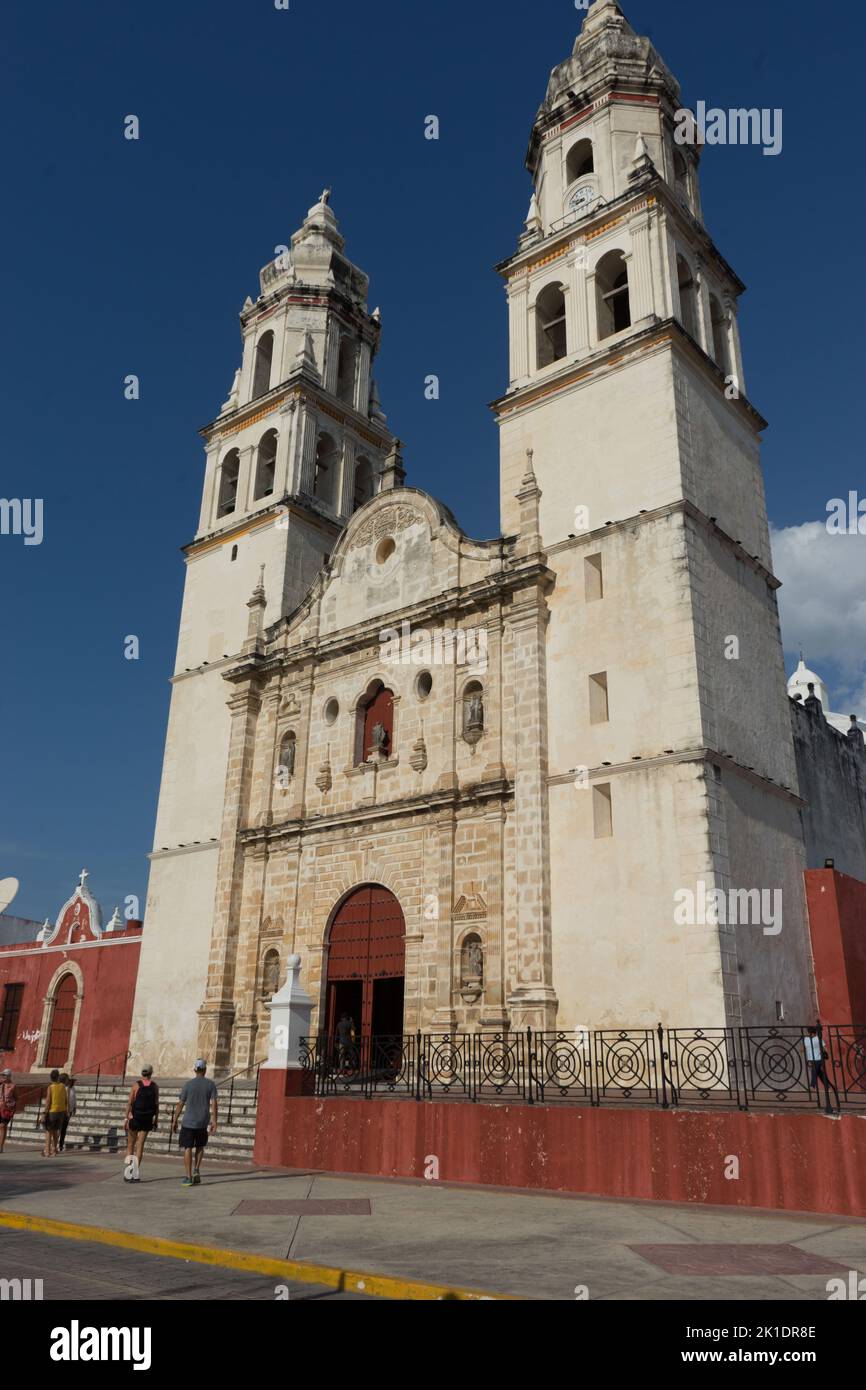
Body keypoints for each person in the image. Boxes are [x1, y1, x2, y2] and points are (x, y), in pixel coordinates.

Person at [171, 1060, 217, 1187]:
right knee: (200, 1146)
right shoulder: (211, 1084)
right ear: (205, 1070)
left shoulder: (188, 1085)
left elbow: (181, 1103)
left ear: (195, 1070)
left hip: (189, 1121)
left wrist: (175, 1120)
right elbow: (214, 1103)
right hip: (203, 1121)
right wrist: (214, 1120)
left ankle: (188, 1176)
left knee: (188, 1148)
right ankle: (196, 1169)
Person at [124, 1066, 159, 1181]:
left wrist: (126, 1118)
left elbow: (129, 1103)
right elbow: (156, 1104)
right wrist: (156, 1119)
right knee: (140, 1146)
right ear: (151, 1073)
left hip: (135, 1118)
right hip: (147, 1119)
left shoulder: (136, 1085)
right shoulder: (155, 1087)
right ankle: (134, 1173)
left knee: (130, 1145)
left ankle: (128, 1172)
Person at [804, 1025, 840, 1114]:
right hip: (815, 1059)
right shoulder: (816, 1039)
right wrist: (826, 1053)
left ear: (809, 1032)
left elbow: (805, 1048)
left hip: (815, 1059)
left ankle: (812, 1085)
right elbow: (824, 1048)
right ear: (814, 1032)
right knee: (819, 1074)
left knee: (814, 1071)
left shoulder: (806, 1039)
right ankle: (827, 1086)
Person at [43, 1069, 68, 1157]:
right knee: (56, 1131)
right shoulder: (63, 1086)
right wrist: (66, 1111)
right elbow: (66, 1100)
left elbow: (48, 1100)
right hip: (61, 1111)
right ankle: (54, 1150)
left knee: (48, 1131)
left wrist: (44, 1112)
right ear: (58, 1077)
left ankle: (47, 1151)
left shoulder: (50, 1087)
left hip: (52, 1111)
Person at [58, 1073, 76, 1152]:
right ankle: (56, 1144)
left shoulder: (73, 1089)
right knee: (60, 1128)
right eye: (71, 1081)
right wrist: (67, 1110)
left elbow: (74, 1098)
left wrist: (75, 1107)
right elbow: (66, 1100)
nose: (72, 1083)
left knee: (64, 1129)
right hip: (63, 1111)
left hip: (69, 1110)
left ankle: (61, 1145)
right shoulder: (64, 1089)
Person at [0, 1068, 16, 1153]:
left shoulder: (13, 1086)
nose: (3, 1077)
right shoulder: (0, 1085)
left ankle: (1, 1146)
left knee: (3, 1126)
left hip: (7, 1109)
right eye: (2, 1075)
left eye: (4, 1075)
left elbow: (17, 1097)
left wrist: (14, 1109)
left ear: (9, 1076)